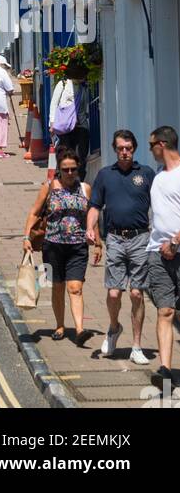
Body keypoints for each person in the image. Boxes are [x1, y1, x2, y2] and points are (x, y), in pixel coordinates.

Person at [85, 129, 154, 365]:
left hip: (140, 239)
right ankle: (114, 328)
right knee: (114, 292)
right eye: (120, 148)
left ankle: (136, 346)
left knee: (136, 293)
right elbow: (95, 206)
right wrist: (90, 228)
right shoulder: (105, 175)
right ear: (115, 150)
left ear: (134, 149)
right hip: (114, 238)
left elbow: (160, 204)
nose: (124, 152)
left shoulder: (146, 174)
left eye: (128, 148)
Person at [24, 148, 97, 346]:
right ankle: (60, 325)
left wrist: (97, 242)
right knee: (57, 287)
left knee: (75, 288)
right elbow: (33, 213)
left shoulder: (85, 189)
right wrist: (26, 237)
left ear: (78, 167)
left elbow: (91, 215)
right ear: (59, 169)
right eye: (66, 170)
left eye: (73, 169)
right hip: (52, 246)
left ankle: (80, 330)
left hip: (78, 247)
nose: (70, 173)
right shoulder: (48, 187)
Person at [146, 125, 180, 391]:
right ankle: (165, 369)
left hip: (176, 249)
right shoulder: (159, 176)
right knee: (165, 310)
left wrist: (175, 243)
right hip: (157, 252)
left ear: (162, 144)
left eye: (151, 145)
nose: (150, 150)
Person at [49, 74, 90, 165]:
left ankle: (79, 177)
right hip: (66, 127)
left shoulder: (84, 87)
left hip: (81, 126)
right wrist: (52, 123)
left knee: (81, 156)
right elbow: (54, 104)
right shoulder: (63, 84)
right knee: (65, 155)